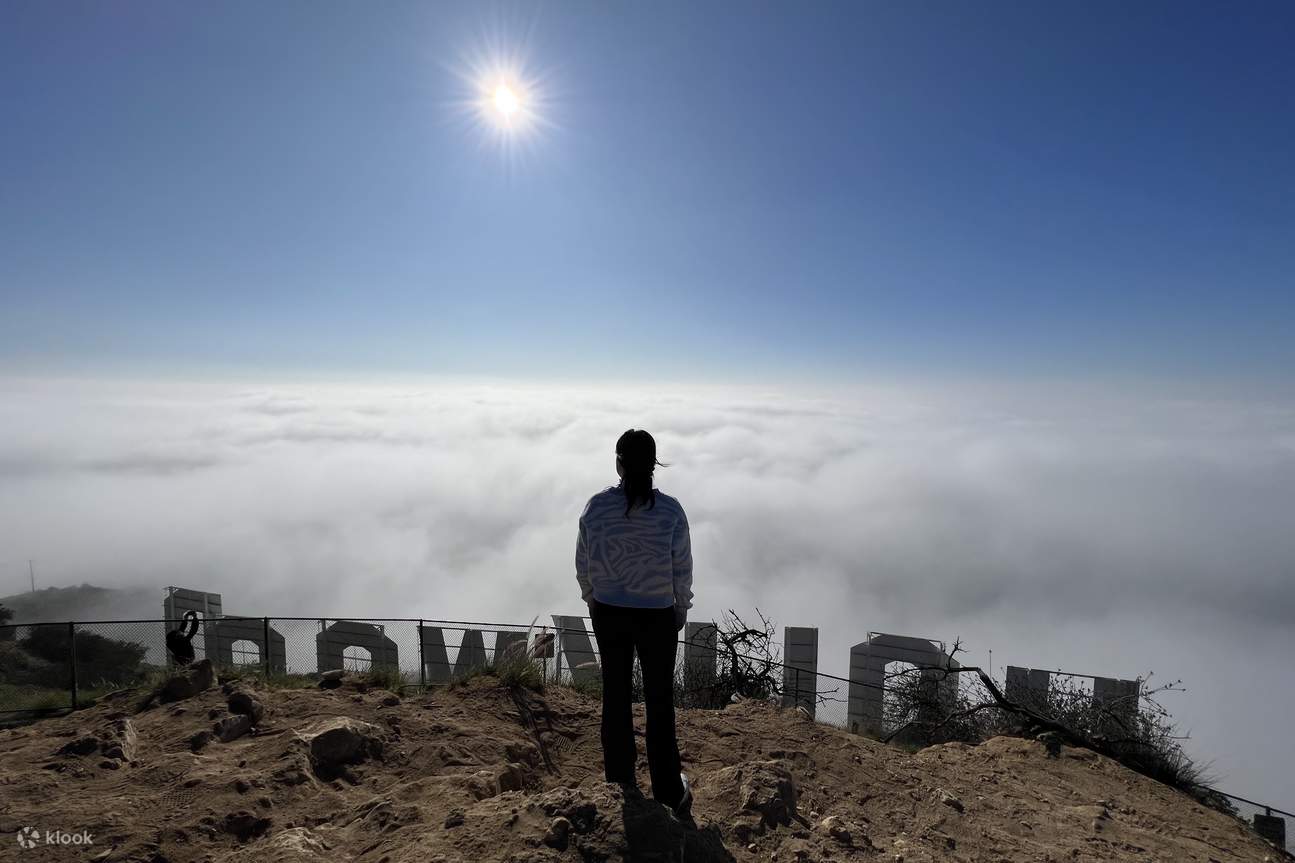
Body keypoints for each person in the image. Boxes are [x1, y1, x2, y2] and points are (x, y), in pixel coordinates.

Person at [575, 428, 694, 822]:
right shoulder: (671, 511)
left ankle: (620, 780)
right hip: (657, 616)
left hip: (609, 612)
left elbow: (583, 562)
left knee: (615, 694)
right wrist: (680, 608)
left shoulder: (596, 507)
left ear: (618, 464)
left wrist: (592, 599)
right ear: (654, 465)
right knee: (660, 701)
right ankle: (669, 790)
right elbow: (681, 568)